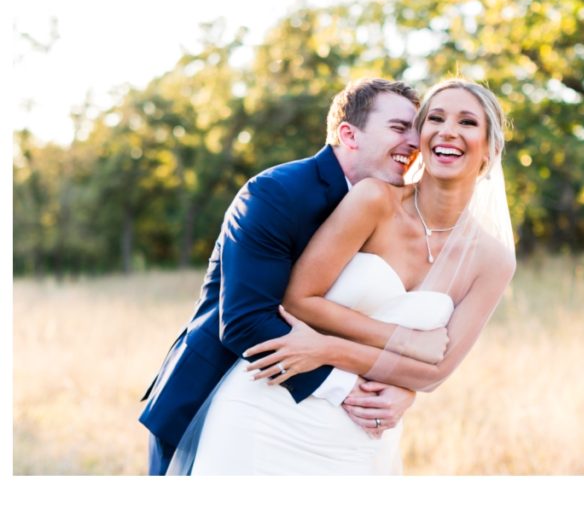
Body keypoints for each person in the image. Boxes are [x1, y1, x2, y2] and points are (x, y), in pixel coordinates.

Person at [171, 79, 517, 475]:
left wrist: (393, 381)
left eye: (468, 122)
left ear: (490, 150)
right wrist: (405, 344)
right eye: (435, 118)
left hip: (366, 429)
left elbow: (435, 372)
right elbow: (293, 302)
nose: (447, 130)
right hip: (271, 410)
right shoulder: (369, 198)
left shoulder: (494, 261)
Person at [139, 78, 428, 475]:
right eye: (399, 128)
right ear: (349, 134)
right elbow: (245, 321)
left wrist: (401, 388)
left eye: (418, 129)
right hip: (219, 399)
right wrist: (350, 390)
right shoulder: (276, 193)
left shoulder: (401, 217)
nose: (415, 142)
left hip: (331, 432)